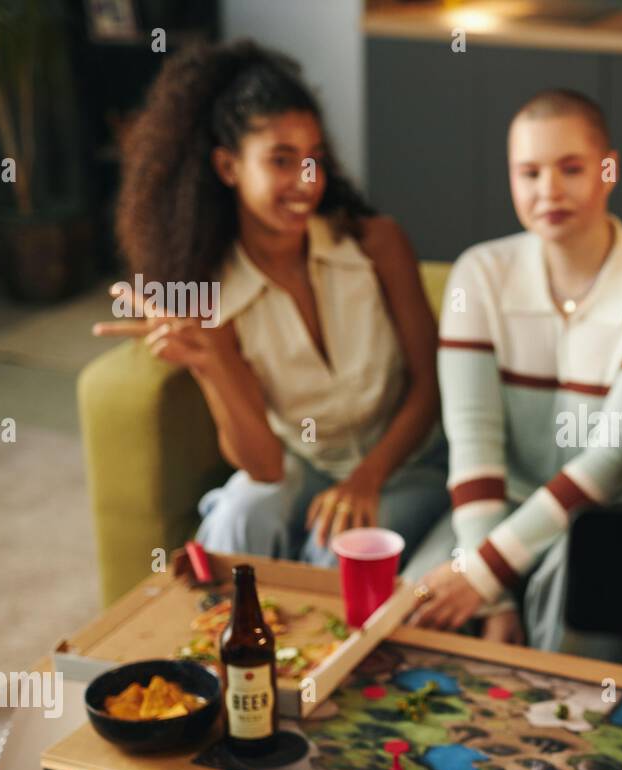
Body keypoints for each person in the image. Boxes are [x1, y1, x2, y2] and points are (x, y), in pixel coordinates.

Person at [96, 41, 449, 567]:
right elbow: (264, 466)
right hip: (303, 467)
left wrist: (365, 480)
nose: (306, 183)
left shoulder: (377, 244)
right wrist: (209, 361)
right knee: (241, 513)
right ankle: (213, 637)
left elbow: (430, 389)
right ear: (228, 166)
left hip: (408, 467)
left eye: (315, 161)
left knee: (338, 552)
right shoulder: (210, 294)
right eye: (282, 161)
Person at [406, 89, 622, 660]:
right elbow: (473, 441)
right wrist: (491, 597)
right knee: (417, 611)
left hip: (620, 508)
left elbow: (616, 460)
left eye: (571, 168)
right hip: (505, 504)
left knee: (573, 602)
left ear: (608, 171)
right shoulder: (479, 273)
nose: (549, 190)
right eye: (529, 172)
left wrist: (484, 572)